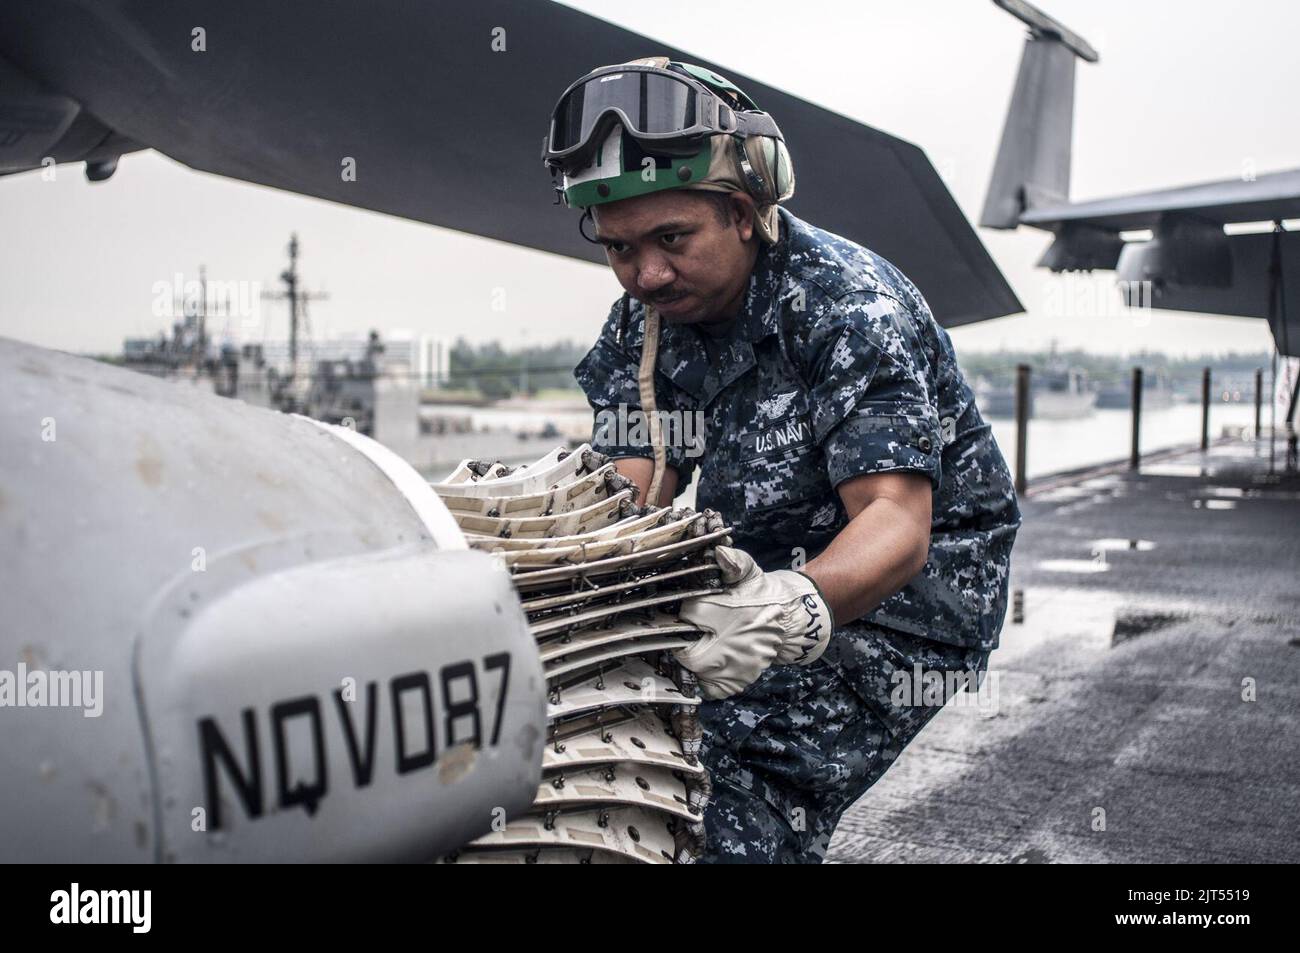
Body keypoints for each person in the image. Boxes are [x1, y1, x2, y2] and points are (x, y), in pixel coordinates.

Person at [545, 56, 1021, 863]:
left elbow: (896, 523)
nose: (646, 274)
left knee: (718, 790)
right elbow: (634, 486)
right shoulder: (645, 320)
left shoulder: (845, 307)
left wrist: (783, 612)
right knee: (595, 749)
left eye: (670, 239)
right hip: (759, 562)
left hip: (909, 602)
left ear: (742, 210)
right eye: (619, 248)